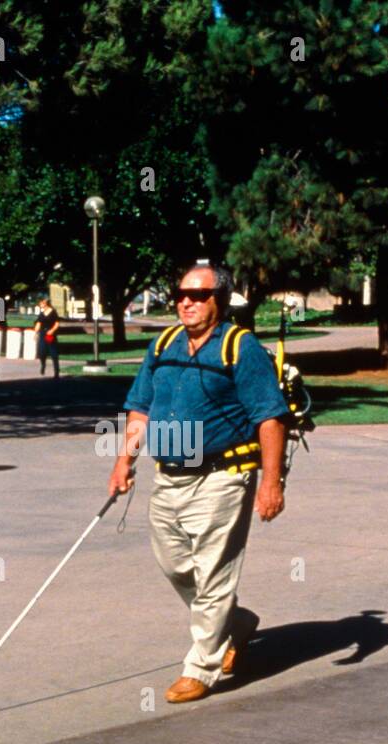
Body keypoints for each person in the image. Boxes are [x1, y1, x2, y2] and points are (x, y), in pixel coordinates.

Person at [107, 263, 289, 704]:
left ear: (220, 301)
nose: (186, 301)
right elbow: (139, 409)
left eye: (198, 294)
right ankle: (237, 623)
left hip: (222, 477)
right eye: (180, 293)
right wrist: (122, 461)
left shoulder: (239, 348)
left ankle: (201, 667)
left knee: (214, 573)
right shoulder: (164, 343)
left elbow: (270, 417)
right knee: (174, 565)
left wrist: (271, 482)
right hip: (168, 475)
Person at [33, 297, 61, 378]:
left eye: (41, 303)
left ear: (45, 303)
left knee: (53, 353)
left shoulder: (53, 312)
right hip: (42, 333)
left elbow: (57, 323)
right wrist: (35, 333)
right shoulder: (41, 314)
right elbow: (38, 323)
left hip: (50, 334)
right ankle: (43, 364)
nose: (40, 304)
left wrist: (52, 330)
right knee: (42, 352)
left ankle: (56, 372)